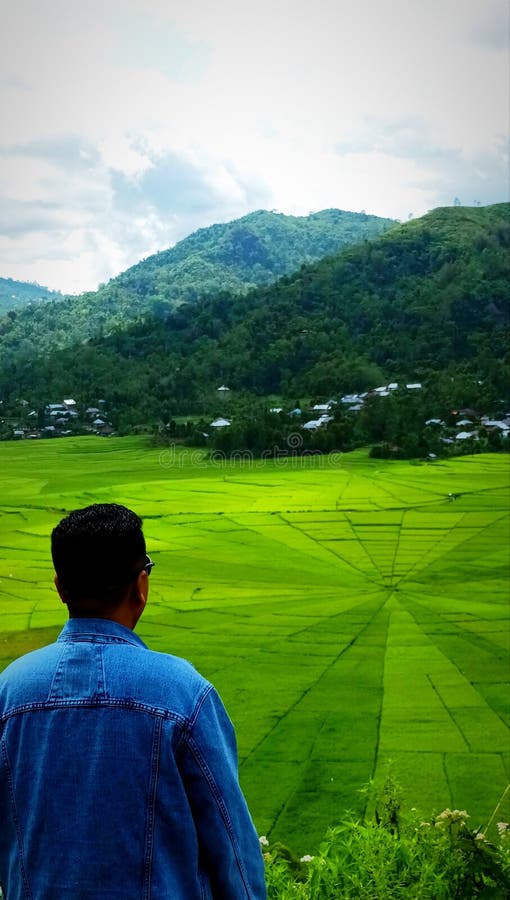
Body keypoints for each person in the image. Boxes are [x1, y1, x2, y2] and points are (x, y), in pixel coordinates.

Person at [0, 503, 266, 899]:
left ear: (60, 588)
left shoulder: (9, 691)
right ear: (141, 586)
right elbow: (233, 850)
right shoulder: (184, 695)